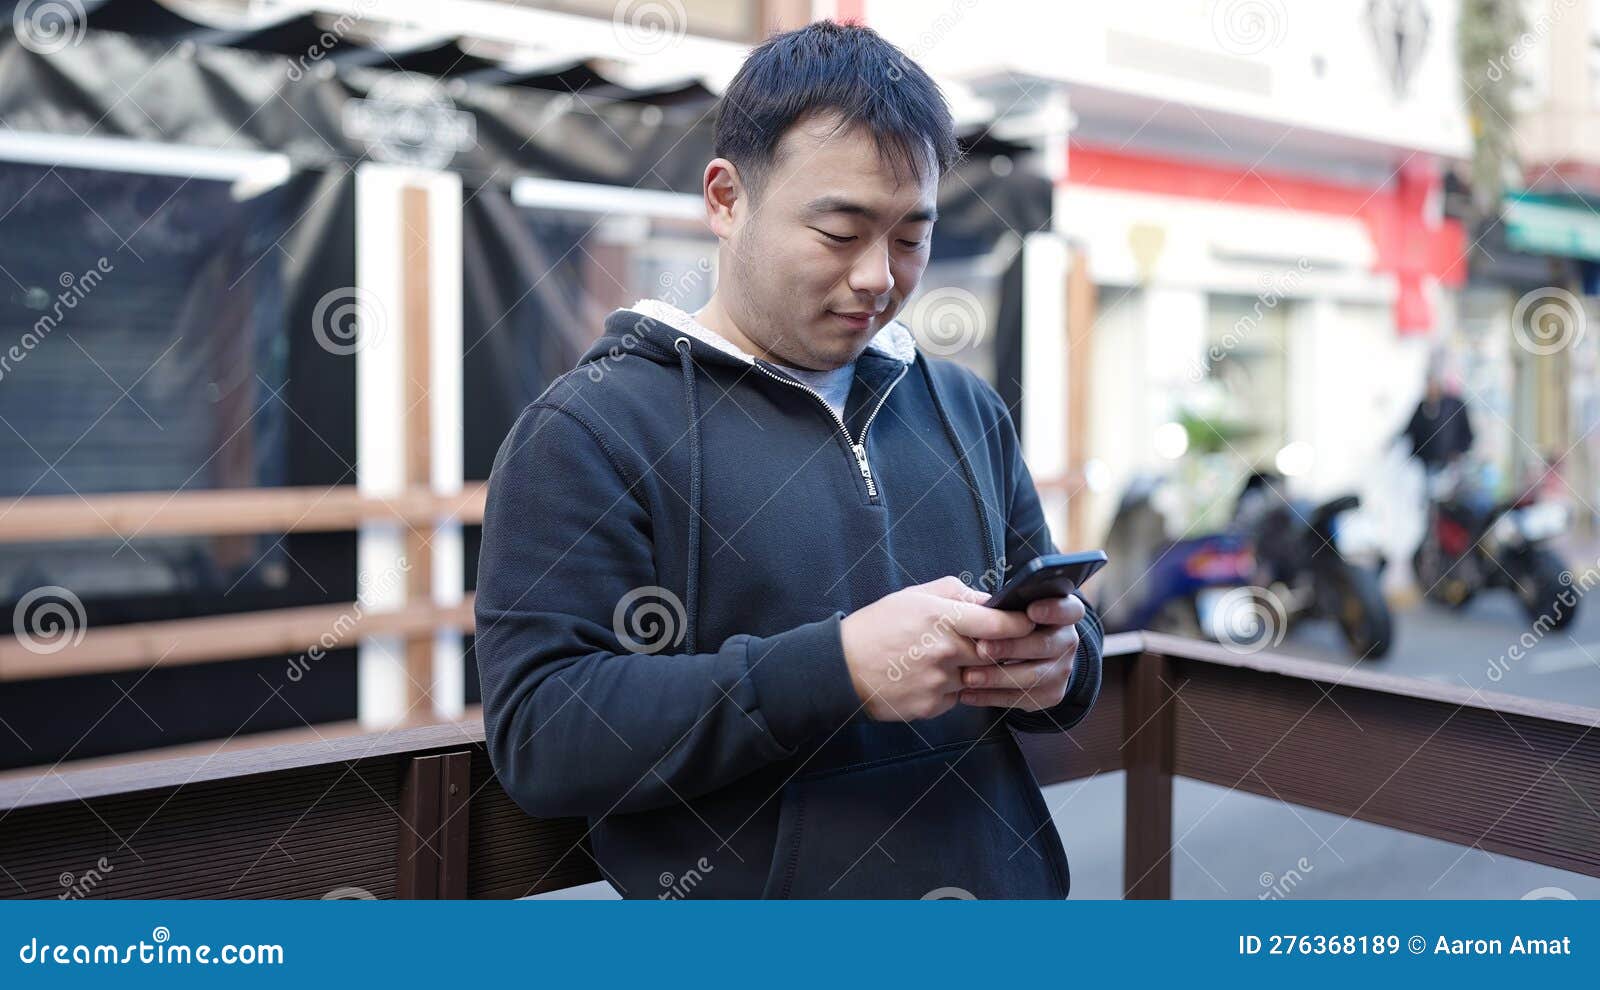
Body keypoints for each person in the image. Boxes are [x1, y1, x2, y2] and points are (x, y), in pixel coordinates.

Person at [474, 20, 1103, 900]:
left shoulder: (965, 407)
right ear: (726, 198)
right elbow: (544, 734)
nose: (879, 276)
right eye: (841, 232)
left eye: (912, 237)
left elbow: (1068, 626)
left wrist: (1064, 667)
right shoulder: (587, 429)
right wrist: (837, 670)